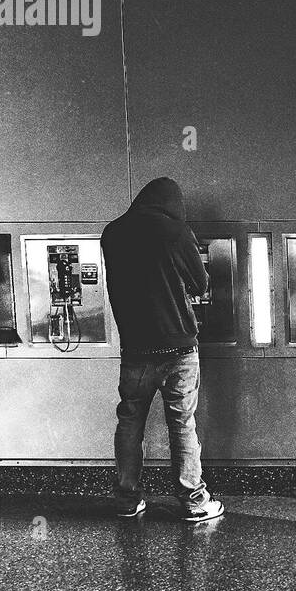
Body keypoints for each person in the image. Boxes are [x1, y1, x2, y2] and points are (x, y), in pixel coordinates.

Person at [101, 177, 224, 523]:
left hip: (135, 350)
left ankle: (127, 498)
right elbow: (200, 283)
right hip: (178, 349)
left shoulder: (113, 233)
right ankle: (194, 501)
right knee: (182, 423)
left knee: (130, 421)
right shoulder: (176, 231)